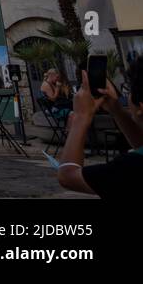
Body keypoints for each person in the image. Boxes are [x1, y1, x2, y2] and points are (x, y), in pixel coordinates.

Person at [57, 57, 143, 198]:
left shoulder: (131, 166)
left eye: (129, 90)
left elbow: (68, 176)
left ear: (140, 106)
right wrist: (115, 109)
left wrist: (81, 117)